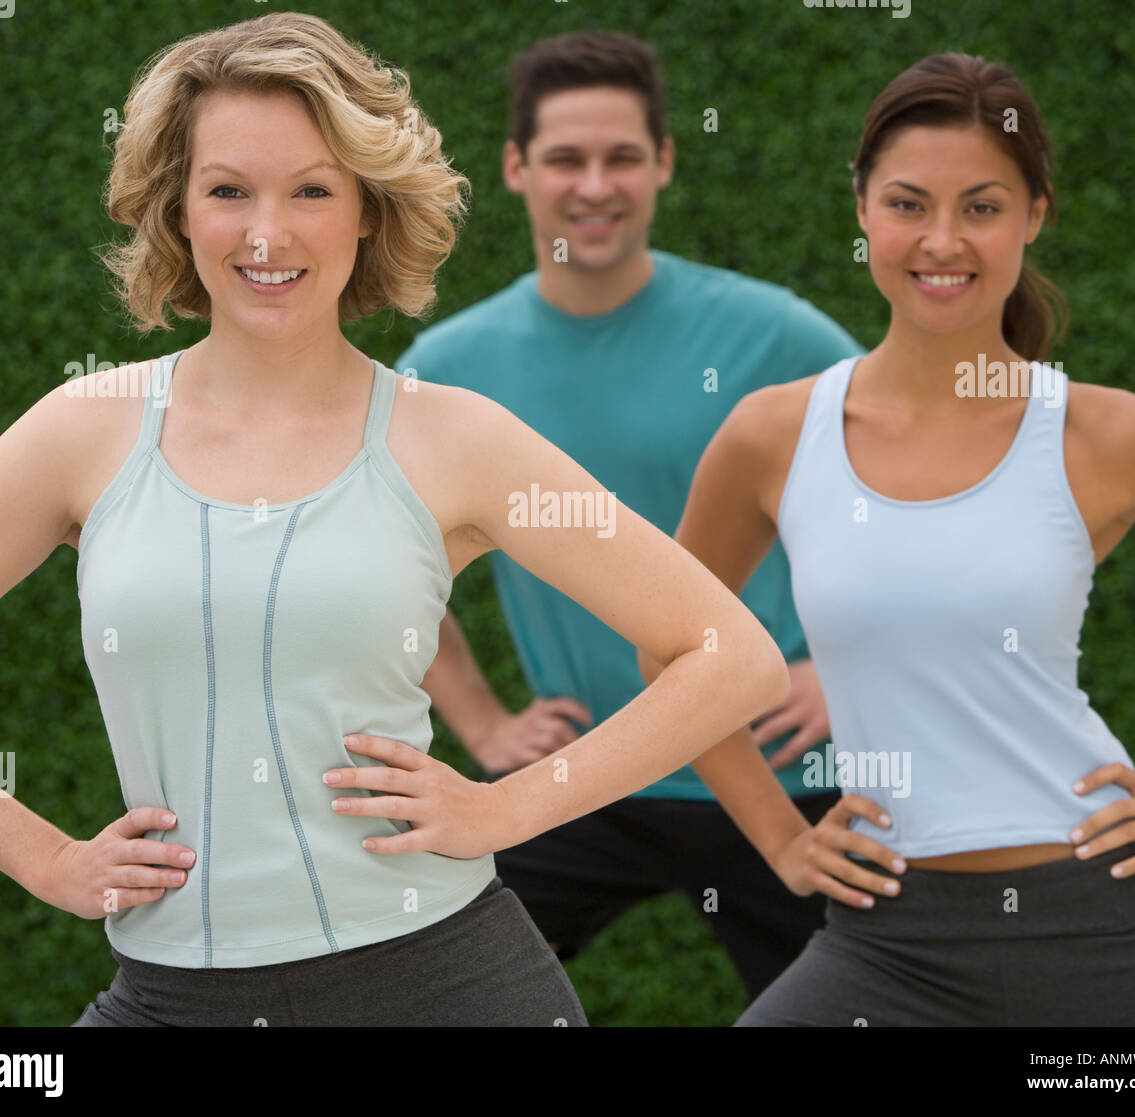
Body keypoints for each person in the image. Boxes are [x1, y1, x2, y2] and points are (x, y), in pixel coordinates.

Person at [0, 12, 790, 1028]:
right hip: (168, 995)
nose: (266, 234)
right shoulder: (82, 430)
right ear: (176, 208)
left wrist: (507, 805)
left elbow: (732, 655)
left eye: (313, 191)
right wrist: (45, 858)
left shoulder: (453, 436)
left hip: (446, 988)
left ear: (368, 210)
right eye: (227, 190)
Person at [642, 51, 1135, 1026]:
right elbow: (668, 641)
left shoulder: (1103, 433)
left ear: (1033, 216)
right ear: (862, 207)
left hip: (1109, 922)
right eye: (908, 203)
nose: (942, 240)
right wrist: (782, 839)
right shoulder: (773, 434)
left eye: (982, 207)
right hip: (887, 940)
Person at [397, 30, 863, 1005]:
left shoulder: (774, 333)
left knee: (868, 1010)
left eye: (621, 157)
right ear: (517, 168)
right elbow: (380, 563)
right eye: (566, 158)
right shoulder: (447, 369)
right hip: (581, 781)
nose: (594, 185)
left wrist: (848, 665)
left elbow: (917, 490)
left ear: (664, 162)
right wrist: (482, 723)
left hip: (783, 772)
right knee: (430, 997)